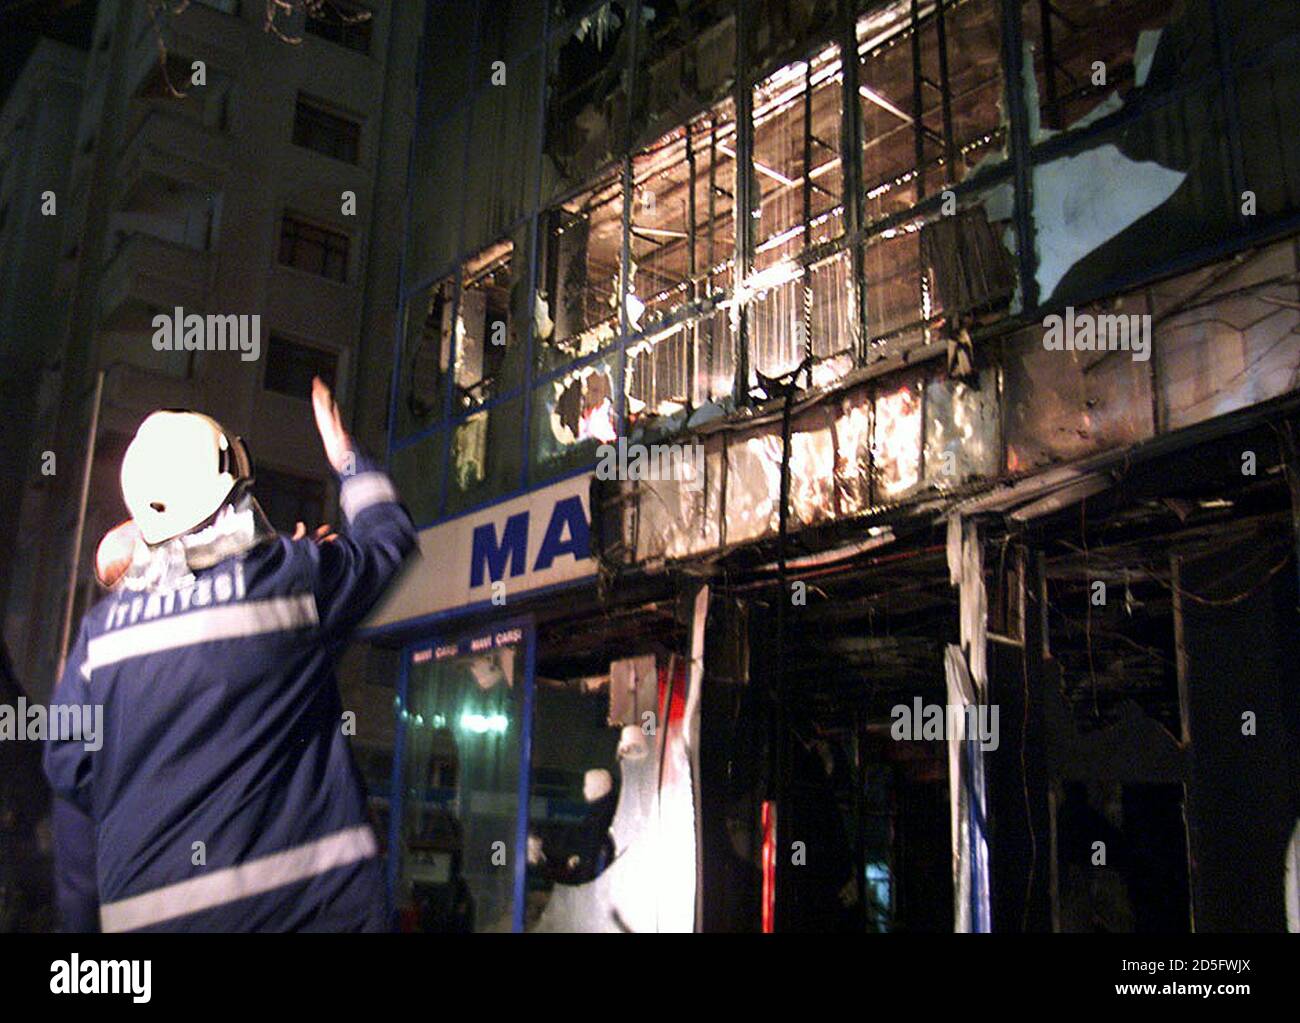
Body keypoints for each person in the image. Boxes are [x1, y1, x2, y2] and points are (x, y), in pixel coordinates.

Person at [44, 378, 416, 932]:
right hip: (307, 912)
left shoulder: (101, 636)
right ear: (228, 492)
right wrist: (347, 457)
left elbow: (69, 767)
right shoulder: (286, 579)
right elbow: (389, 542)